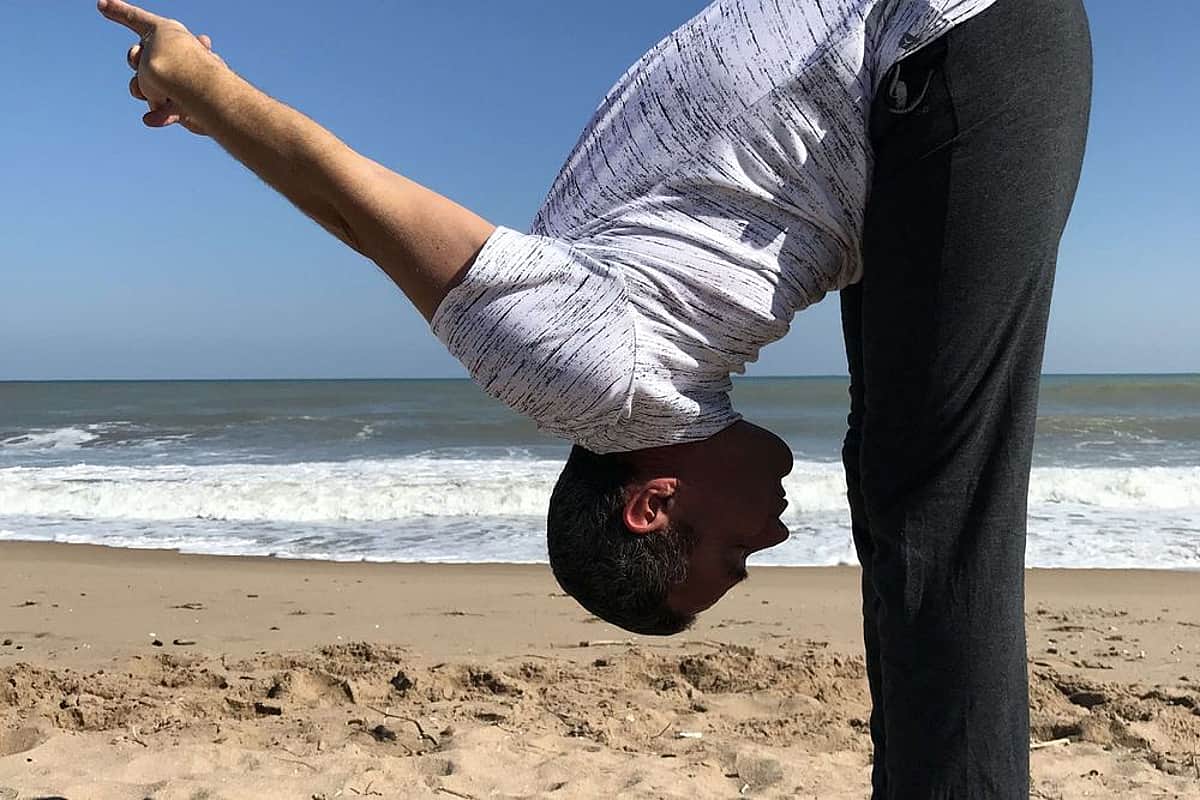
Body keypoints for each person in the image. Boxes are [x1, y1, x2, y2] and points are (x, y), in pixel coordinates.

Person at [98, 0, 1091, 795]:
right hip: (906, 92)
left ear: (653, 502)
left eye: (733, 552)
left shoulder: (589, 376)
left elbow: (363, 210)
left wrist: (212, 93)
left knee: (934, 503)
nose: (774, 540)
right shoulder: (654, 357)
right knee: (901, 482)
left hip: (948, 39)